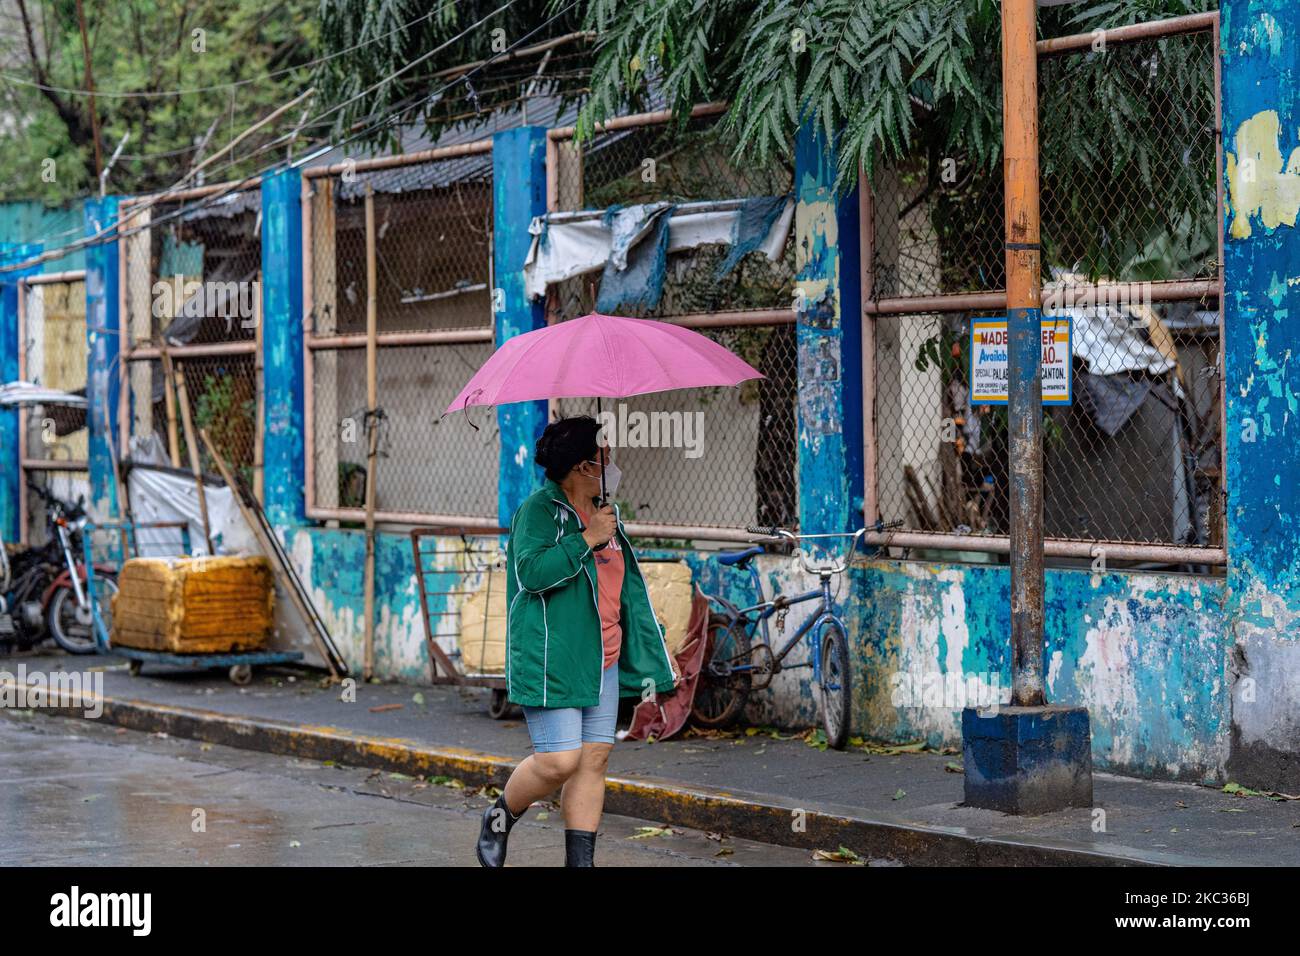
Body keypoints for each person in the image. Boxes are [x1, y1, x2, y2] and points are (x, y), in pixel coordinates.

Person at [475, 416, 678, 867]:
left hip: (602, 655)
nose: (611, 461)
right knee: (560, 761)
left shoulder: (606, 514)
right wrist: (586, 539)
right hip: (553, 656)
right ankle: (499, 816)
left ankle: (579, 862)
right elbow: (531, 573)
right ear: (582, 466)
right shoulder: (538, 512)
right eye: (603, 455)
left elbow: (619, 586)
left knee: (594, 759)